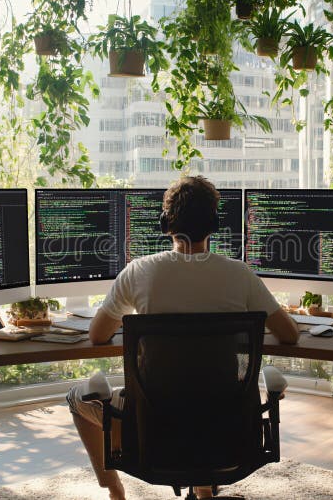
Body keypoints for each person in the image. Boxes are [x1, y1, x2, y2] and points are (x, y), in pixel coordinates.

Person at [67, 175, 299, 500]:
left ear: (166, 223)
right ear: (214, 224)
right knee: (204, 394)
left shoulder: (139, 272)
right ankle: (204, 491)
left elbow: (97, 335)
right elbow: (289, 334)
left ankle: (116, 492)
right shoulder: (239, 275)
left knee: (76, 398)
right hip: (225, 427)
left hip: (153, 431)